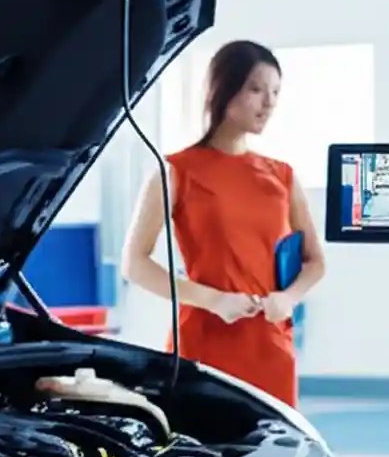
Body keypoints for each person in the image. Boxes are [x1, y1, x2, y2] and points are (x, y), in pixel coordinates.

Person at [121, 40, 325, 408]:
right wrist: (214, 299)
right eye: (256, 89)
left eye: (275, 92)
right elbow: (134, 264)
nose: (269, 102)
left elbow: (316, 262)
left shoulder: (282, 175)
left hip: (270, 348)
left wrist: (288, 298)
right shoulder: (175, 171)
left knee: (276, 445)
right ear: (223, 89)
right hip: (203, 345)